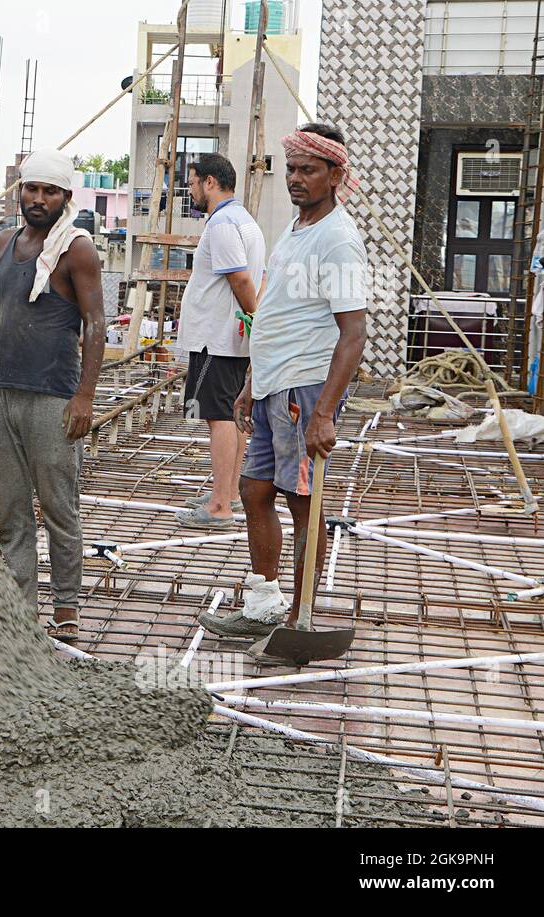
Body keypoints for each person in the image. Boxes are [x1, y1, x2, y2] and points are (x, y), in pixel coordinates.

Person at [200, 123, 368, 646]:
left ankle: (300, 614)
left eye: (308, 170)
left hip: (305, 389)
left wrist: (323, 413)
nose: (295, 179)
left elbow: (354, 332)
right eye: (291, 169)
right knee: (253, 490)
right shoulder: (295, 230)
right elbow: (274, 311)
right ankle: (265, 600)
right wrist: (253, 380)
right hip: (275, 384)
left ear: (335, 174)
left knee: (301, 501)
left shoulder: (338, 240)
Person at [0, 149, 105, 643]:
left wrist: (84, 397)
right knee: (10, 508)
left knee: (60, 509)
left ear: (65, 198)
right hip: (7, 396)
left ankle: (67, 608)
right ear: (19, 192)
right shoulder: (0, 245)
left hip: (53, 399)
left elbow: (96, 324)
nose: (39, 199)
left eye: (50, 192)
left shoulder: (77, 250)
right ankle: (20, 608)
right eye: (31, 190)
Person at [174, 152, 266, 529]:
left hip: (217, 339)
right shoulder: (244, 221)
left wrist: (256, 320)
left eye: (193, 182)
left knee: (219, 417)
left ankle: (220, 508)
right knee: (232, 413)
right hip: (228, 339)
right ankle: (227, 494)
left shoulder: (224, 224)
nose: (191, 189)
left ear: (211, 182)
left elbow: (242, 280)